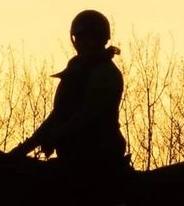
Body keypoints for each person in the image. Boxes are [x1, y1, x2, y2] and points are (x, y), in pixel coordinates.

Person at [12, 9, 130, 176]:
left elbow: (89, 115)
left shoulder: (105, 73)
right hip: (72, 154)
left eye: (85, 38)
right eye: (79, 38)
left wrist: (55, 136)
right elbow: (58, 115)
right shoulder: (76, 70)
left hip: (98, 155)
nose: (81, 43)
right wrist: (24, 148)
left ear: (98, 39)